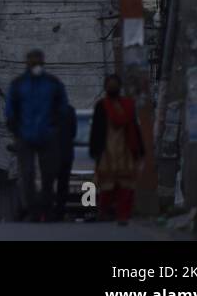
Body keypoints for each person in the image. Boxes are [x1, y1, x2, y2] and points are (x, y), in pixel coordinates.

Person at [5, 49, 69, 222]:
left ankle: (46, 209)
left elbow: (63, 106)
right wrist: (16, 130)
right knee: (27, 174)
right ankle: (33, 210)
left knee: (49, 175)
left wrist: (56, 127)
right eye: (32, 62)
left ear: (43, 62)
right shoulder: (18, 84)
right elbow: (10, 109)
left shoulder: (53, 83)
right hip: (25, 136)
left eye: (38, 62)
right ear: (27, 63)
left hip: (48, 135)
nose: (36, 65)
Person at [89, 73, 144, 225]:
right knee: (107, 185)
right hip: (107, 151)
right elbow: (96, 130)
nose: (112, 87)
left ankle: (123, 215)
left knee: (125, 185)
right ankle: (104, 212)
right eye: (110, 84)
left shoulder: (128, 105)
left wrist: (140, 150)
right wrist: (95, 151)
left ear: (119, 87)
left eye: (114, 84)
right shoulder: (101, 105)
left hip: (125, 150)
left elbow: (134, 127)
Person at [53, 100, 78, 221]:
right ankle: (60, 210)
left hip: (50, 151)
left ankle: (49, 209)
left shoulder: (48, 110)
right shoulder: (70, 110)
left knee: (49, 182)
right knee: (63, 182)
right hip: (66, 151)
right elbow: (74, 132)